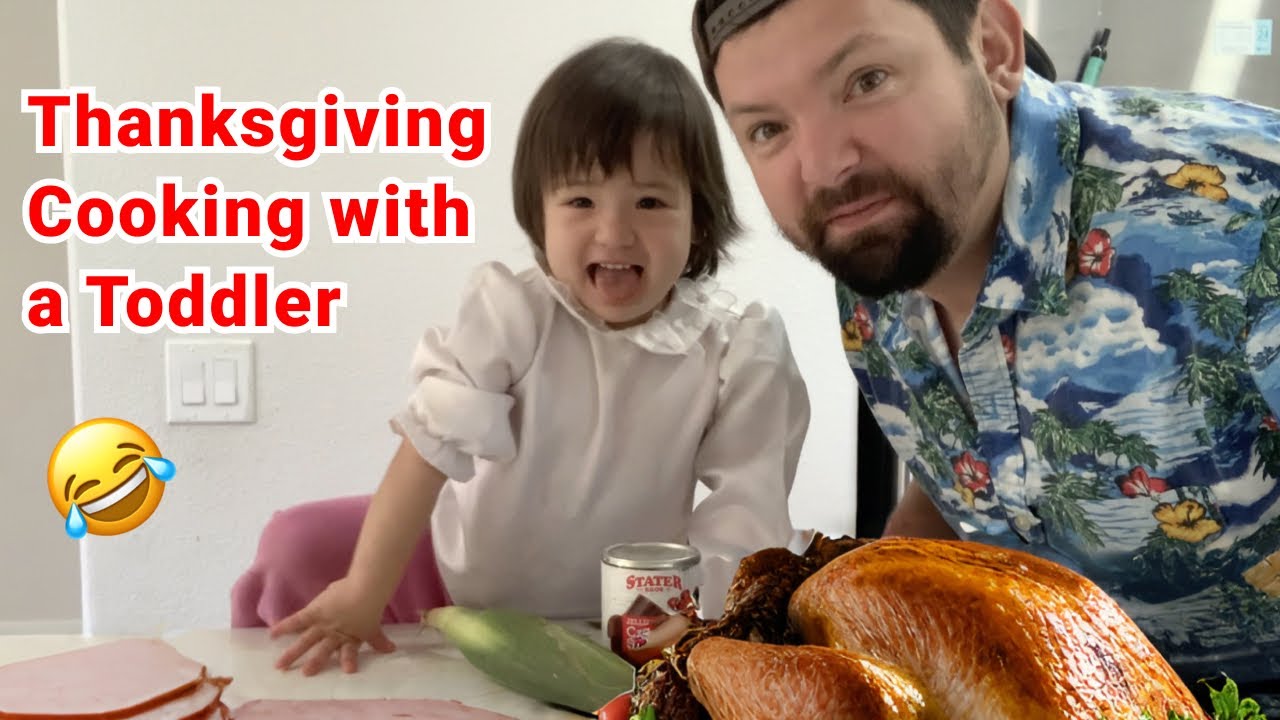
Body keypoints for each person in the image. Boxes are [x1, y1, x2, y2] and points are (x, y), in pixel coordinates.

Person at [690, 0, 1280, 711]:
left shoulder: (1250, 218)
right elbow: (966, 490)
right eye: (768, 128)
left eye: (866, 80)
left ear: (996, 48)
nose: (823, 166)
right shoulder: (876, 267)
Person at [230, 36, 811, 676]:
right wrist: (365, 590)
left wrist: (677, 643)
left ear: (698, 217)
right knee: (296, 541)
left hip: (622, 609)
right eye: (581, 201)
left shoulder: (735, 349)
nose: (614, 232)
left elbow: (743, 525)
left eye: (650, 201)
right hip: (455, 574)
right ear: (538, 215)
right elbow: (428, 449)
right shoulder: (514, 312)